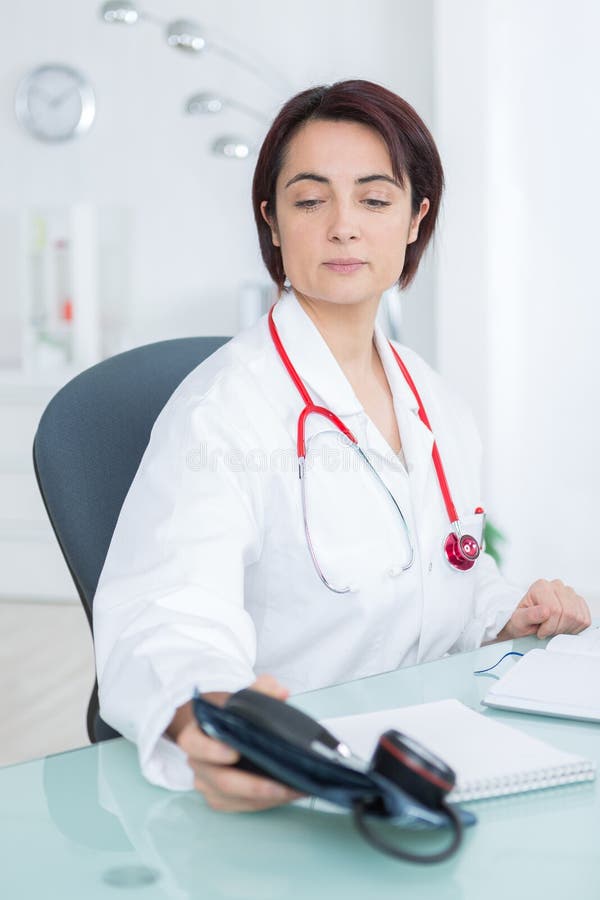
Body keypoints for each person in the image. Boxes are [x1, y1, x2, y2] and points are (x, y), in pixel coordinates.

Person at [93, 79, 591, 812]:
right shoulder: (222, 411)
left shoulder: (434, 402)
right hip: (292, 776)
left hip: (425, 761)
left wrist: (503, 611)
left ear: (417, 219)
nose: (343, 226)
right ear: (271, 222)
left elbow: (441, 567)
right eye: (309, 199)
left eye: (375, 199)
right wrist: (208, 715)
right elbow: (169, 611)